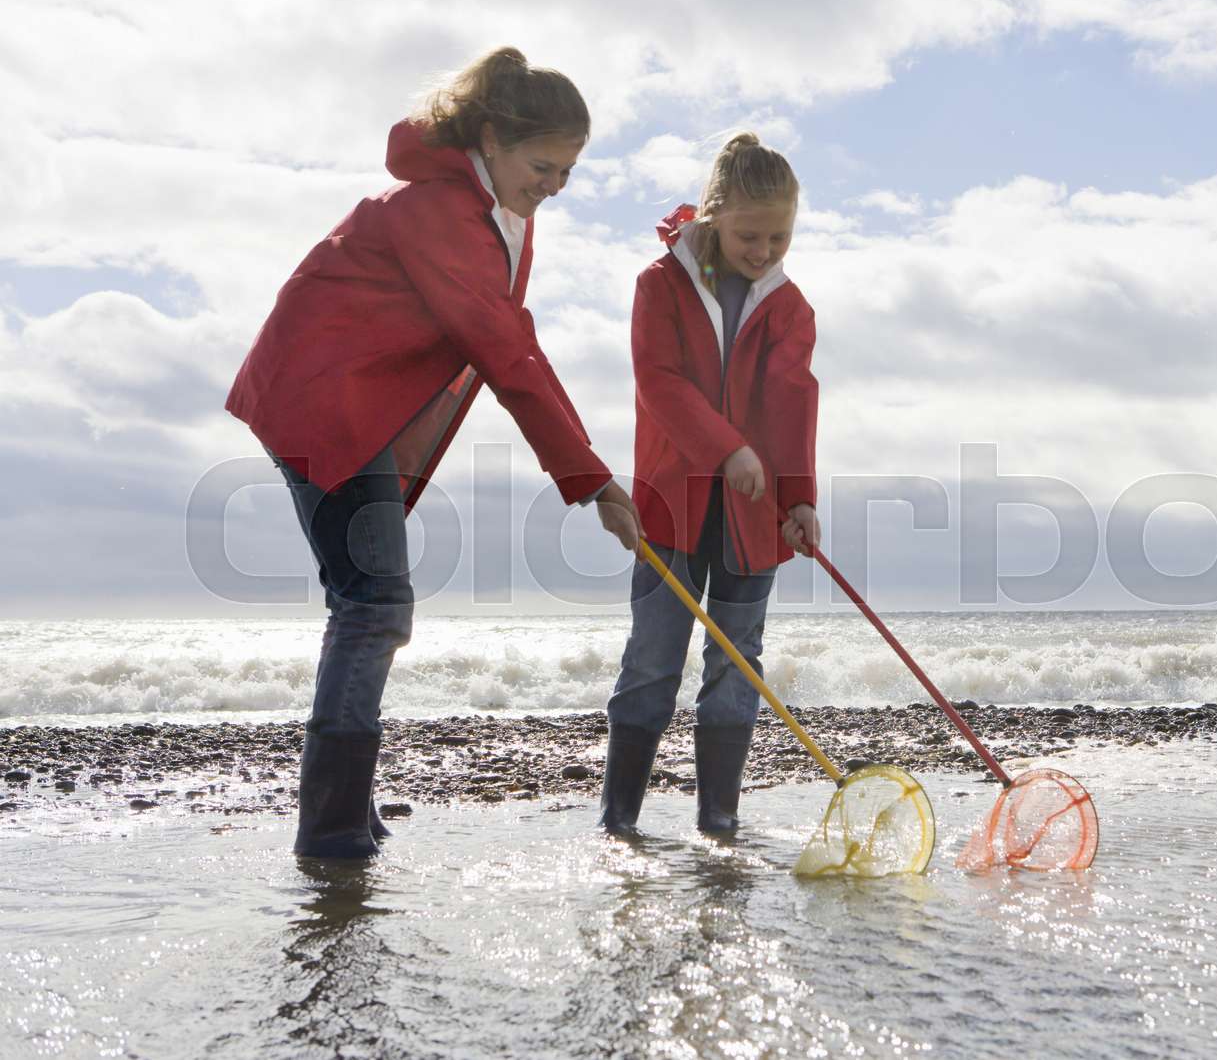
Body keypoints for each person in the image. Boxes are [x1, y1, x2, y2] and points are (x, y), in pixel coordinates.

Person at [226, 48, 641, 859]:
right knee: (373, 605)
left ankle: (345, 811)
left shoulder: (499, 215)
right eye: (543, 165)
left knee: (371, 604)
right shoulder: (441, 212)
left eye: (569, 171)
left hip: (355, 411)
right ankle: (333, 828)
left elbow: (502, 341)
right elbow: (503, 349)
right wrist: (588, 477)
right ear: (491, 139)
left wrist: (586, 472)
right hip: (318, 401)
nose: (554, 184)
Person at [601, 133, 820, 837]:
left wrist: (800, 498)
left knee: (737, 665)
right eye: (750, 235)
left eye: (779, 237)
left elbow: (792, 407)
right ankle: (620, 821)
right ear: (715, 215)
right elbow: (658, 383)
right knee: (651, 662)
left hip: (753, 520)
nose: (763, 250)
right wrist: (726, 449)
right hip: (671, 507)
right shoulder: (658, 285)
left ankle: (719, 822)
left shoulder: (792, 309)